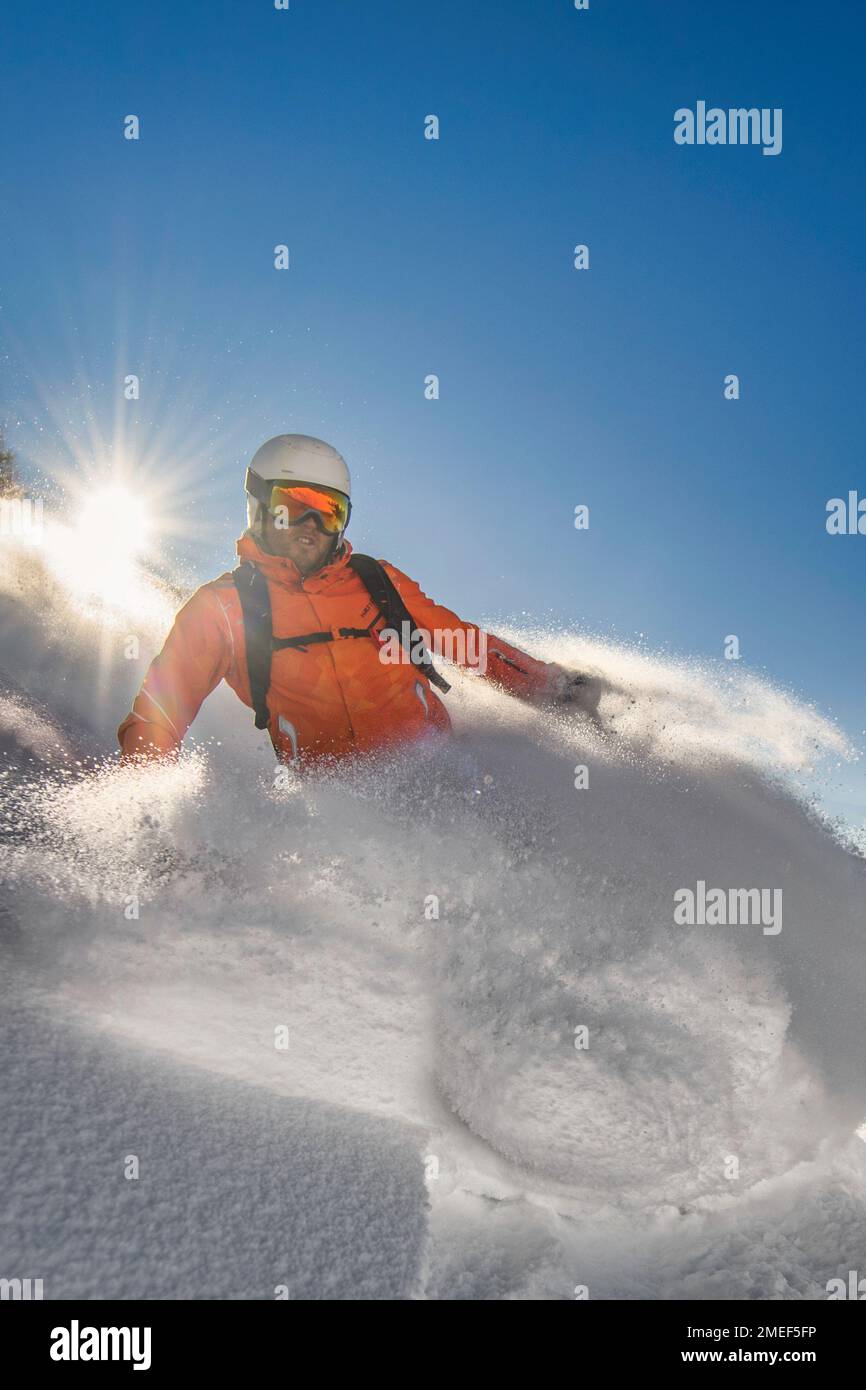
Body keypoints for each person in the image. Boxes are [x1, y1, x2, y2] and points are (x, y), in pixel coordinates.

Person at [118, 434, 600, 766]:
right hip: (336, 807)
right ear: (260, 508)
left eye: (328, 512)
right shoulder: (221, 610)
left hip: (438, 768)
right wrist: (150, 811)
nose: (311, 526)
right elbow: (158, 716)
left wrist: (552, 687)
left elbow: (463, 643)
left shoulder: (374, 579)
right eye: (294, 507)